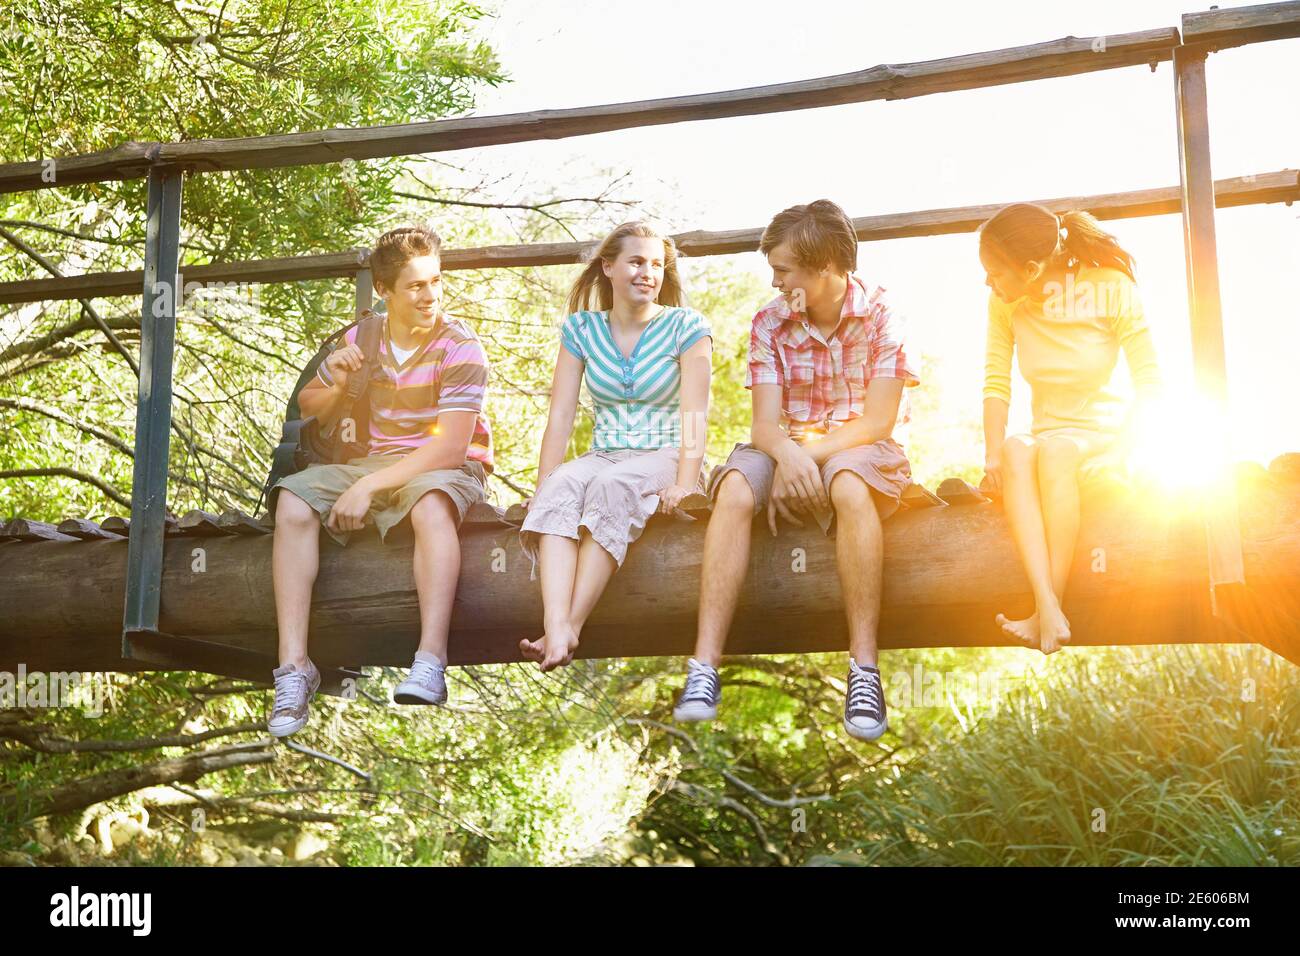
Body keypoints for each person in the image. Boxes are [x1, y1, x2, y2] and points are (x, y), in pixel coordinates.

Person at [673, 200, 919, 742]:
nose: (775, 280)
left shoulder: (883, 316)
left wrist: (805, 457)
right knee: (735, 487)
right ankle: (704, 667)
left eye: (783, 269)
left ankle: (864, 671)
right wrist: (787, 455)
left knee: (851, 486)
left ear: (826, 265)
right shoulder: (770, 321)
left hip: (861, 447)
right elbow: (765, 426)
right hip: (786, 446)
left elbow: (878, 421)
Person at [266, 224, 494, 736]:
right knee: (293, 502)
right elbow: (312, 413)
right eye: (416, 286)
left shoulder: (461, 347)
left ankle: (431, 662)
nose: (431, 295)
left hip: (447, 467)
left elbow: (451, 447)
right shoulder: (360, 337)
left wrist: (368, 488)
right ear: (386, 292)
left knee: (432, 504)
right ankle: (294, 668)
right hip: (374, 460)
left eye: (436, 281)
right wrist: (340, 379)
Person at [519, 221, 712, 672]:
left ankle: (571, 626)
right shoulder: (581, 330)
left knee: (612, 484)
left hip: (667, 457)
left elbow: (694, 417)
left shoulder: (687, 326)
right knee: (563, 484)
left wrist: (685, 483)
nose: (648, 272)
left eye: (657, 264)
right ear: (608, 267)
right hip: (604, 454)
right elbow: (561, 416)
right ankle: (555, 622)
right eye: (637, 262)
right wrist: (544, 483)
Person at [978, 203, 1162, 655]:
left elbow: (1151, 382)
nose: (988, 282)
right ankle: (1046, 605)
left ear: (1033, 267)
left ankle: (1047, 608)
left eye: (995, 272)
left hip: (1101, 435)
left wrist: (1120, 454)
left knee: (1057, 451)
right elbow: (996, 380)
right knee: (1019, 449)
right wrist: (992, 454)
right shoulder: (1005, 303)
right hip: (1046, 435)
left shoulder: (1111, 288)